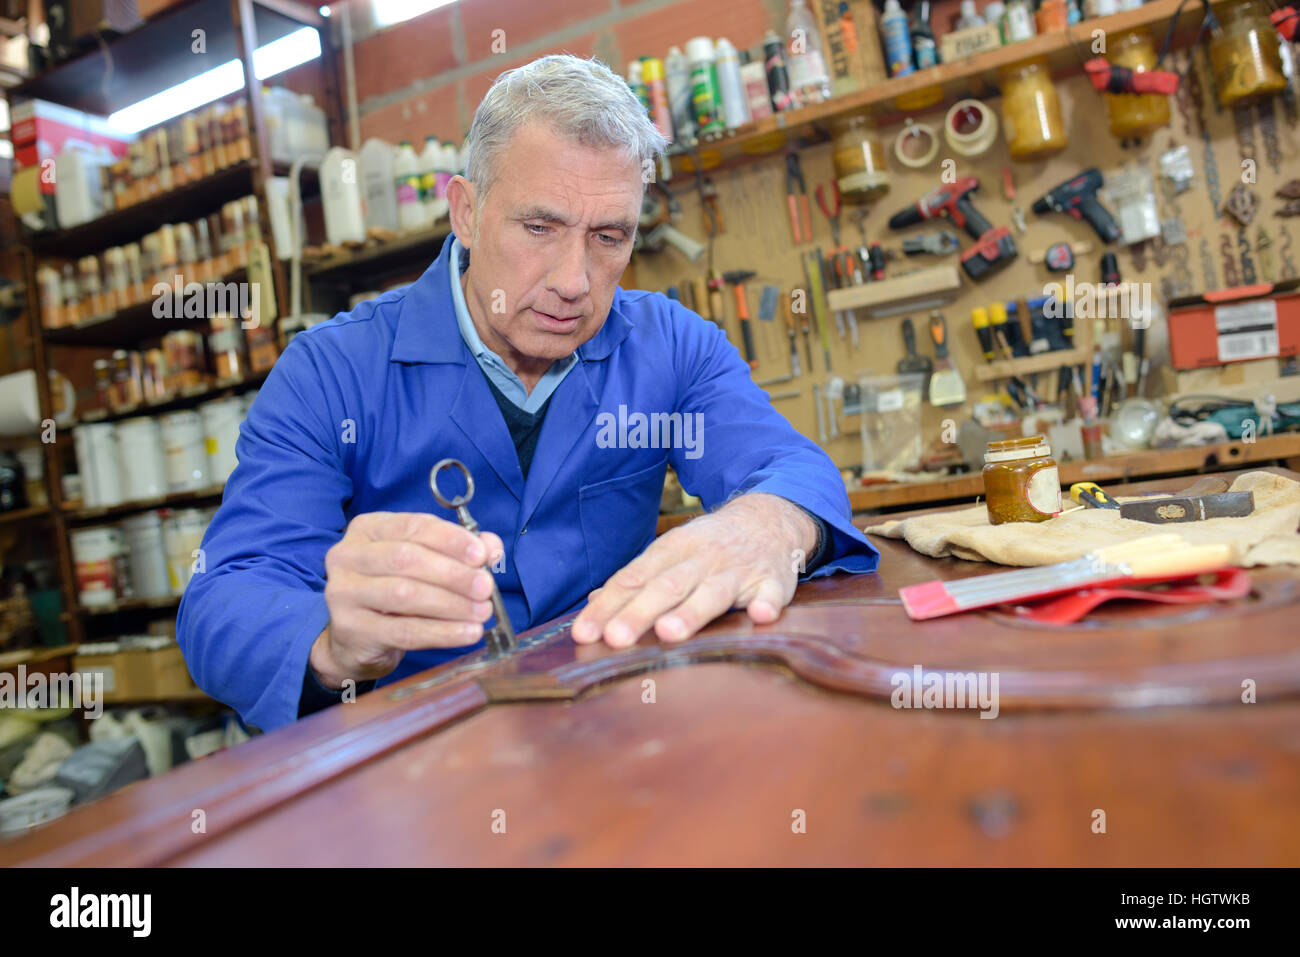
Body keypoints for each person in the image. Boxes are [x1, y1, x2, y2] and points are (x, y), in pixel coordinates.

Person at [177, 55, 879, 733]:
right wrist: (330, 645)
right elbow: (223, 598)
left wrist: (769, 525)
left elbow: (794, 469)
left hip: (612, 728)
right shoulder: (330, 372)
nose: (574, 279)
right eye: (539, 227)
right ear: (465, 212)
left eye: (609, 236)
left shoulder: (672, 347)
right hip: (413, 766)